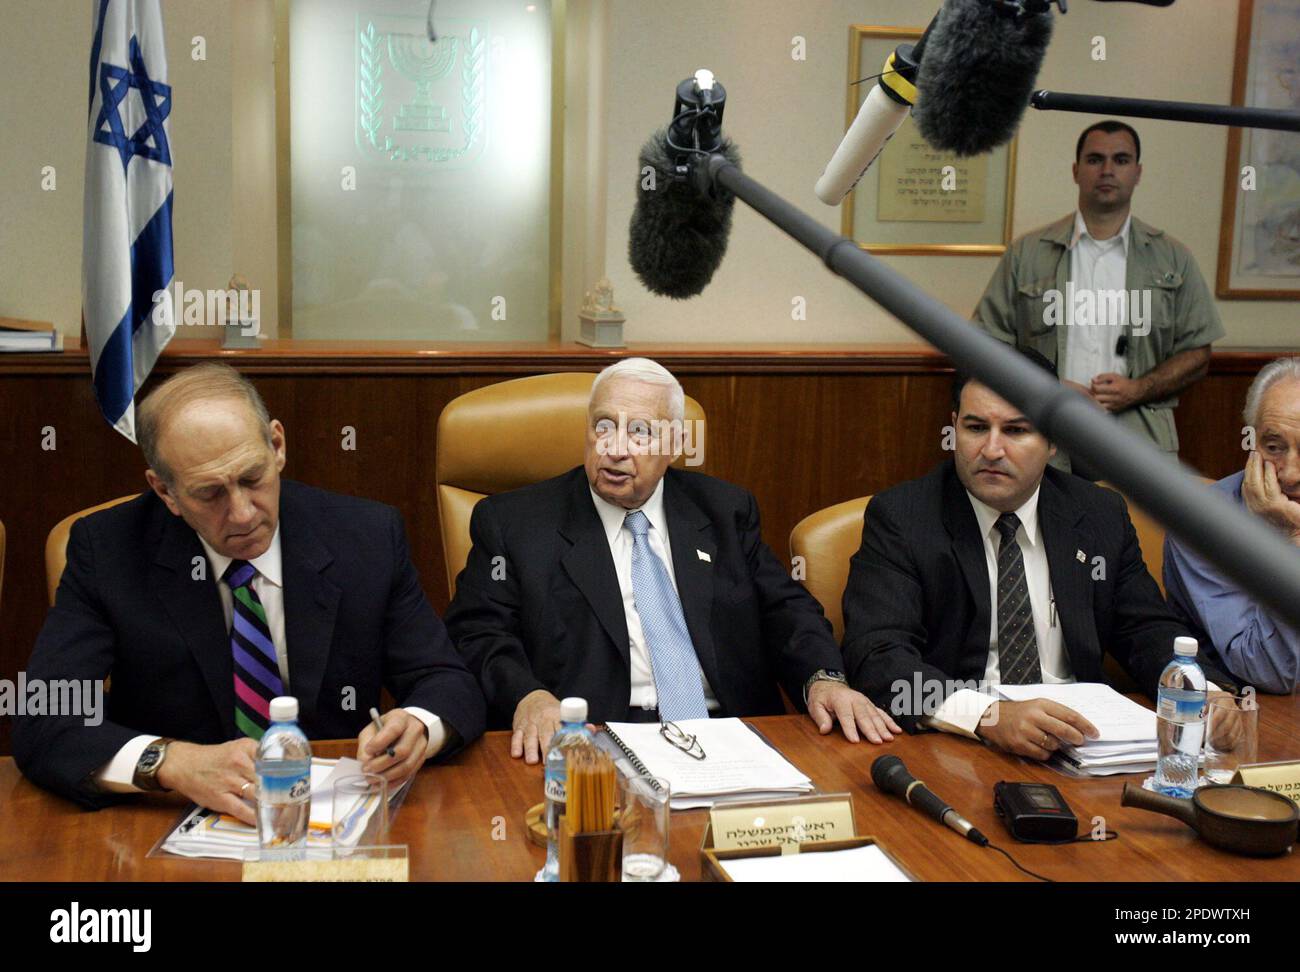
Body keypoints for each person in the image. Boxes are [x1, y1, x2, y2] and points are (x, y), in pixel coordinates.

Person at [13, 363, 485, 820]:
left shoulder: (366, 536)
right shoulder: (109, 550)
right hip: (169, 821)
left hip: (333, 818)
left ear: (276, 446)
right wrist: (170, 762)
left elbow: (446, 680)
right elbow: (46, 719)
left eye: (251, 479)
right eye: (209, 494)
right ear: (165, 491)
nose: (242, 514)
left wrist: (420, 724)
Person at [445, 357, 900, 762]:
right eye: (603, 425)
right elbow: (478, 632)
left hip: (728, 740)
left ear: (677, 443)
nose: (614, 448)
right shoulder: (515, 523)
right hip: (591, 744)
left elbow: (786, 610)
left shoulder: (724, 511)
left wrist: (824, 680)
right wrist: (528, 695)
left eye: (639, 432)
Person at [840, 348, 1235, 760]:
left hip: (1086, 745)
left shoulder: (1099, 514)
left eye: (1015, 431)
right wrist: (990, 716)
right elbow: (879, 655)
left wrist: (1203, 691)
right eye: (976, 427)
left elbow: (1145, 630)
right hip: (960, 748)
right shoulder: (904, 518)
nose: (992, 450)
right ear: (954, 428)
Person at [973, 120, 1225, 476]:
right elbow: (985, 343)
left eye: (1121, 160)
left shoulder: (1172, 259)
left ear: (1137, 172)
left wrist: (1138, 388)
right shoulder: (1027, 254)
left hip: (1141, 438)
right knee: (1048, 528)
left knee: (1137, 530)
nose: (1107, 170)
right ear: (1076, 171)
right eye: (1095, 159)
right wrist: (1047, 384)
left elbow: (1198, 353)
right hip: (1043, 430)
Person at [1164, 357, 1300, 693]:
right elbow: (1271, 671)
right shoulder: (1201, 525)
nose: (1291, 473)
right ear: (1251, 443)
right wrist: (1289, 539)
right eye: (1274, 447)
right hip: (1255, 717)